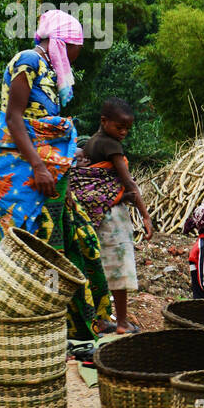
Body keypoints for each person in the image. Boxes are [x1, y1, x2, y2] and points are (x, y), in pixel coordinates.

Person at [0, 9, 113, 339]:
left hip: (47, 171)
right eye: (76, 45)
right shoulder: (28, 61)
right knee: (41, 249)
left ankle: (90, 319)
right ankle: (43, 327)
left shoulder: (51, 73)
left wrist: (69, 156)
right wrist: (40, 166)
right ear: (62, 43)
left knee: (82, 241)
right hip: (18, 171)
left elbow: (44, 129)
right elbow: (14, 119)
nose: (79, 53)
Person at [69, 98, 154, 334]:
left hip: (91, 215)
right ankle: (123, 323)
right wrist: (145, 216)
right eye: (120, 127)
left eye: (127, 128)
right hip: (110, 217)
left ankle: (101, 319)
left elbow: (95, 181)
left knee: (96, 268)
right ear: (104, 121)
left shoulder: (91, 144)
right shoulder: (112, 145)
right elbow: (129, 184)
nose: (124, 132)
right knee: (118, 269)